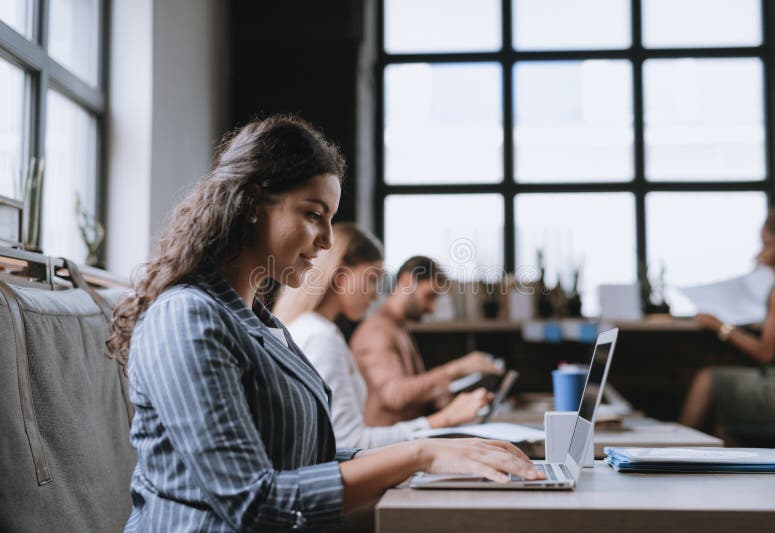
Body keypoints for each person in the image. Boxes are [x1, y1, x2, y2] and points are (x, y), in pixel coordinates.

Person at [108, 115, 542, 532]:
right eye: (314, 214)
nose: (328, 240)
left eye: (330, 219)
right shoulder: (187, 318)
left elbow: (308, 460)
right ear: (253, 203)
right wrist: (420, 454)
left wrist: (437, 450)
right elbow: (254, 502)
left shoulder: (263, 325)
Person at [274, 223, 490, 449]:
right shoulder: (322, 338)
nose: (376, 292)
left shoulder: (318, 331)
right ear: (340, 277)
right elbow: (348, 442)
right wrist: (444, 419)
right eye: (372, 278)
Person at [680, 205, 775, 435]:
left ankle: (669, 454)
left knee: (709, 379)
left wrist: (719, 325)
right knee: (726, 417)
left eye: (767, 244)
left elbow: (766, 353)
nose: (759, 253)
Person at [349, 255, 503, 427]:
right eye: (429, 296)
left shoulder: (397, 327)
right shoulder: (377, 331)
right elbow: (393, 394)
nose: (432, 308)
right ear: (406, 282)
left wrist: (442, 399)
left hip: (404, 439)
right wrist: (458, 369)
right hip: (386, 444)